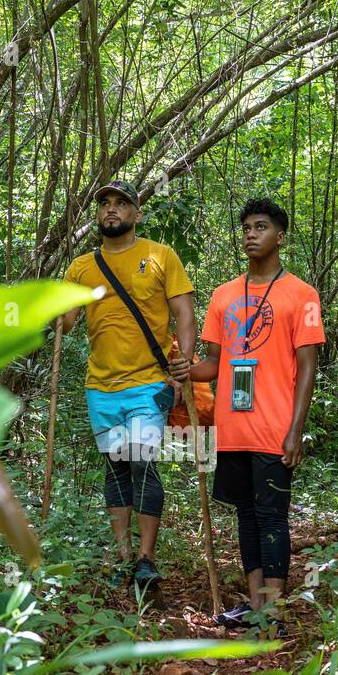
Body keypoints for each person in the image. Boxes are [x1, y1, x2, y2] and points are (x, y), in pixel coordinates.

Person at [171, 198, 324, 629]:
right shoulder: (224, 294)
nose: (251, 235)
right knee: (245, 514)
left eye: (260, 227)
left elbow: (308, 366)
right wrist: (186, 369)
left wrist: (295, 431)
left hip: (275, 428)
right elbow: (213, 365)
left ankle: (272, 610)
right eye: (245, 228)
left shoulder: (302, 295)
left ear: (281, 236)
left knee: (272, 515)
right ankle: (255, 605)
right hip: (233, 428)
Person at [61, 181, 197, 590]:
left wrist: (183, 365)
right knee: (116, 466)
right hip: (100, 386)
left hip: (148, 382)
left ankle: (146, 558)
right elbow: (65, 321)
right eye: (104, 204)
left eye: (121, 203)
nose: (111, 210)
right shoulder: (81, 267)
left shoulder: (160, 256)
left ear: (137, 214)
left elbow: (184, 315)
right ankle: (122, 555)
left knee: (142, 459)